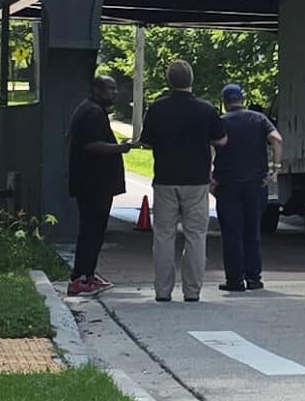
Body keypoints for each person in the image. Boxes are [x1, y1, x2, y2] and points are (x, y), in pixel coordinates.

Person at [137, 59, 226, 302]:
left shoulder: (157, 108)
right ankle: (192, 291)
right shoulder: (206, 109)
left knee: (164, 235)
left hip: (165, 179)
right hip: (197, 180)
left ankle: (163, 291)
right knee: (196, 235)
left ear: (169, 81)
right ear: (191, 80)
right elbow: (221, 140)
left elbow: (146, 141)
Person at [214, 83, 281, 293]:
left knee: (231, 233)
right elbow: (277, 139)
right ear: (242, 99)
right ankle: (254, 278)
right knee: (252, 231)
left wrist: (210, 177)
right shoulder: (259, 119)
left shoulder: (221, 122)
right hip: (256, 184)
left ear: (225, 102)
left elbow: (210, 147)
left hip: (228, 185)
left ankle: (234, 280)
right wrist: (275, 169)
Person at [65, 73, 126, 297]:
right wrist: (123, 148)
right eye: (111, 89)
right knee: (91, 229)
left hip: (92, 183)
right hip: (94, 184)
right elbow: (92, 145)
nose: (115, 93)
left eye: (115, 89)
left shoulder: (90, 110)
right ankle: (81, 277)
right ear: (97, 90)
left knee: (94, 229)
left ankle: (88, 275)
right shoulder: (92, 112)